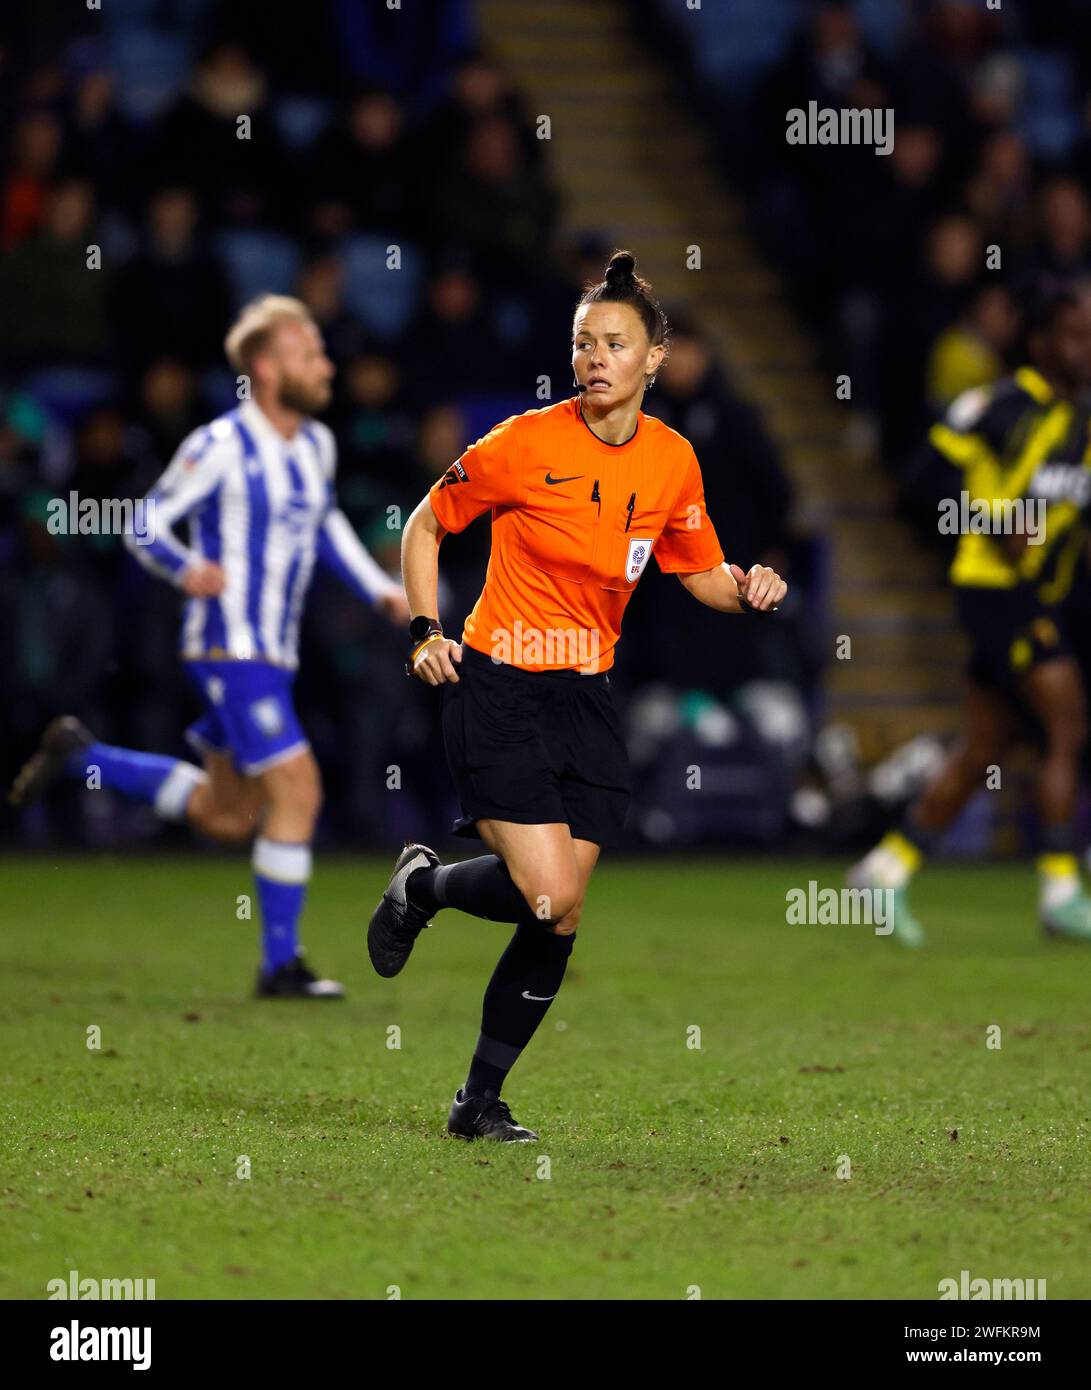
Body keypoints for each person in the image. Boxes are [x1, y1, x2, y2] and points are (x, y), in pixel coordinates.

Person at [367, 251, 787, 1141]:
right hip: (499, 685)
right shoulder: (522, 444)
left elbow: (697, 570)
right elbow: (422, 525)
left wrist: (745, 584)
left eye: (614, 343)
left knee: (555, 912)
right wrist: (424, 631)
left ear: (653, 359)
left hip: (586, 697)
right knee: (550, 897)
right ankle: (432, 905)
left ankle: (470, 1077)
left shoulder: (673, 461)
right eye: (583, 342)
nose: (594, 357)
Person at [10, 295, 410, 996]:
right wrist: (185, 567)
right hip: (229, 649)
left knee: (229, 816)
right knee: (299, 789)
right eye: (307, 352)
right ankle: (280, 965)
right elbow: (145, 524)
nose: (324, 364)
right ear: (263, 365)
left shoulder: (315, 445)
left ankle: (82, 756)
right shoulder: (220, 444)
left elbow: (324, 530)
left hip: (272, 659)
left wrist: (378, 588)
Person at [850, 279, 1091, 944]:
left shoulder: (1082, 425)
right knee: (1064, 722)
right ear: (1040, 342)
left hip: (1041, 597)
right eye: (1073, 336)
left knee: (983, 745)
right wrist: (990, 519)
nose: (1084, 350)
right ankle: (1060, 890)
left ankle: (884, 870)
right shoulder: (998, 406)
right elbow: (921, 477)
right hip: (991, 591)